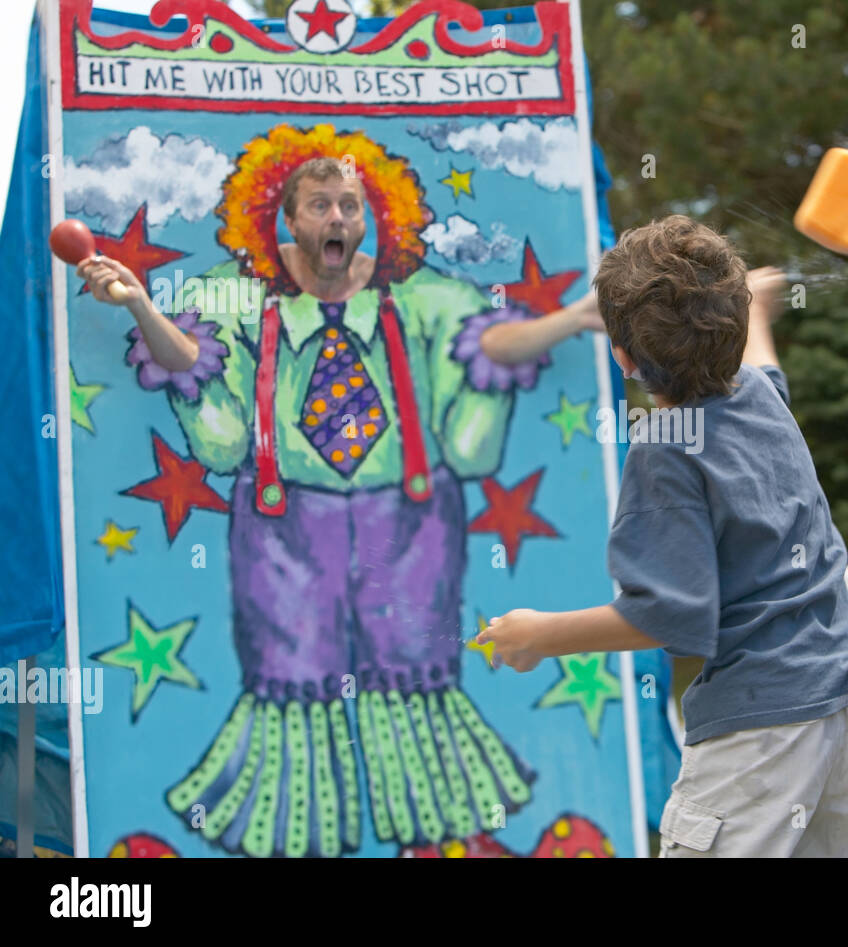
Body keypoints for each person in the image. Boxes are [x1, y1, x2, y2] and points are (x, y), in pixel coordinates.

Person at [75, 135, 603, 858]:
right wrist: (139, 305)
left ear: (373, 216)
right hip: (285, 521)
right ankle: (296, 839)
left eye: (351, 206)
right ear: (286, 218)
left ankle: (437, 837)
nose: (339, 218)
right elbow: (193, 365)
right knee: (292, 670)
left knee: (412, 664)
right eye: (320, 205)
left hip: (407, 519)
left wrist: (573, 318)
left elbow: (488, 345)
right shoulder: (235, 298)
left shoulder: (421, 298)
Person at [478, 214, 848, 857]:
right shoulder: (760, 399)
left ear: (622, 357)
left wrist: (539, 636)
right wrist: (760, 311)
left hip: (766, 727)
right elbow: (764, 367)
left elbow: (670, 617)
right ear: (735, 324)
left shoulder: (663, 450)